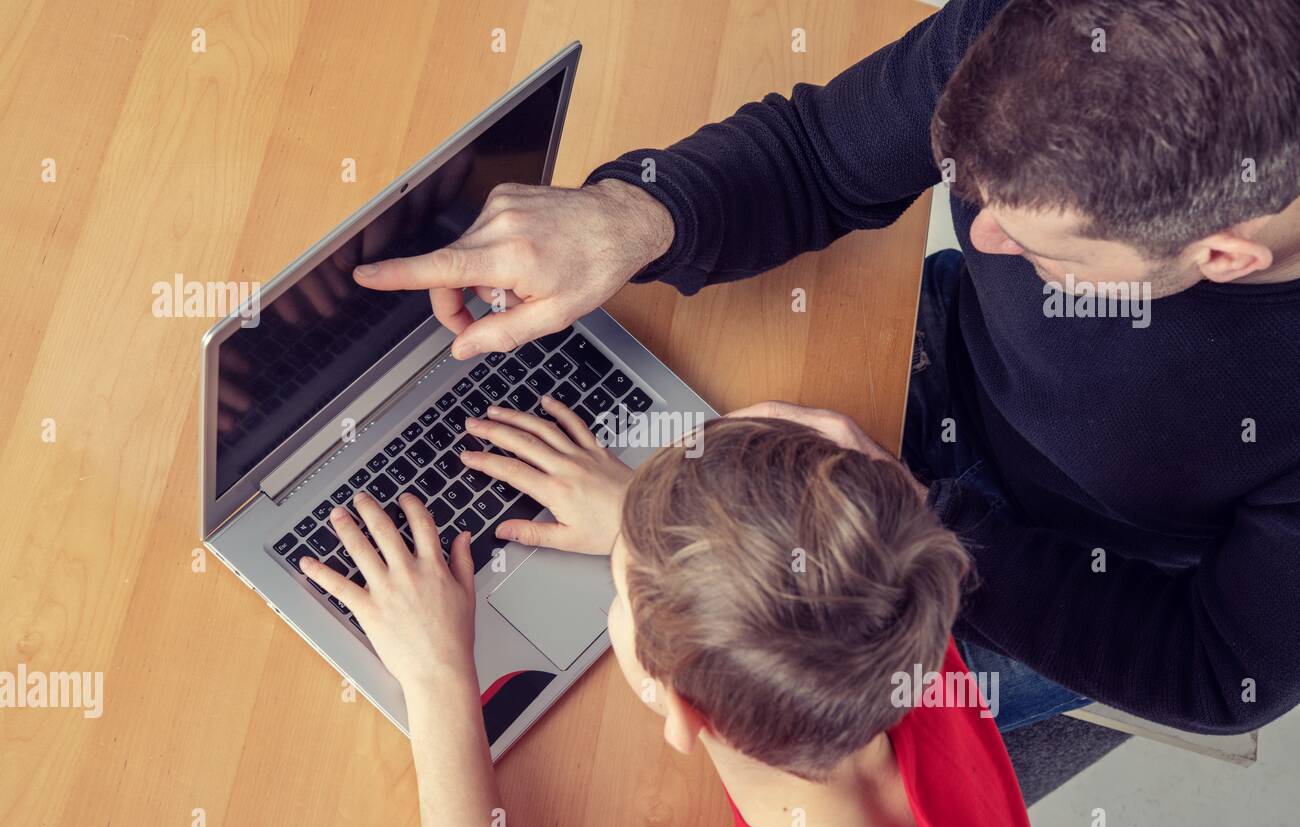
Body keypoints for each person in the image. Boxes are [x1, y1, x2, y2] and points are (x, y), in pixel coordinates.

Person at [348, 0, 1300, 734]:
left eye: (1046, 253)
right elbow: (823, 152)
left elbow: (1220, 671)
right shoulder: (1051, 31)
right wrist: (636, 216)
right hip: (927, 373)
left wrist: (889, 521)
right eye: (970, 185)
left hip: (1053, 585)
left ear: (1223, 255)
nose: (981, 232)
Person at [299, 402, 1040, 827]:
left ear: (684, 713)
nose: (615, 598)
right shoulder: (903, 639)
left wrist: (437, 684)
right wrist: (674, 538)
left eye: (620, 595)